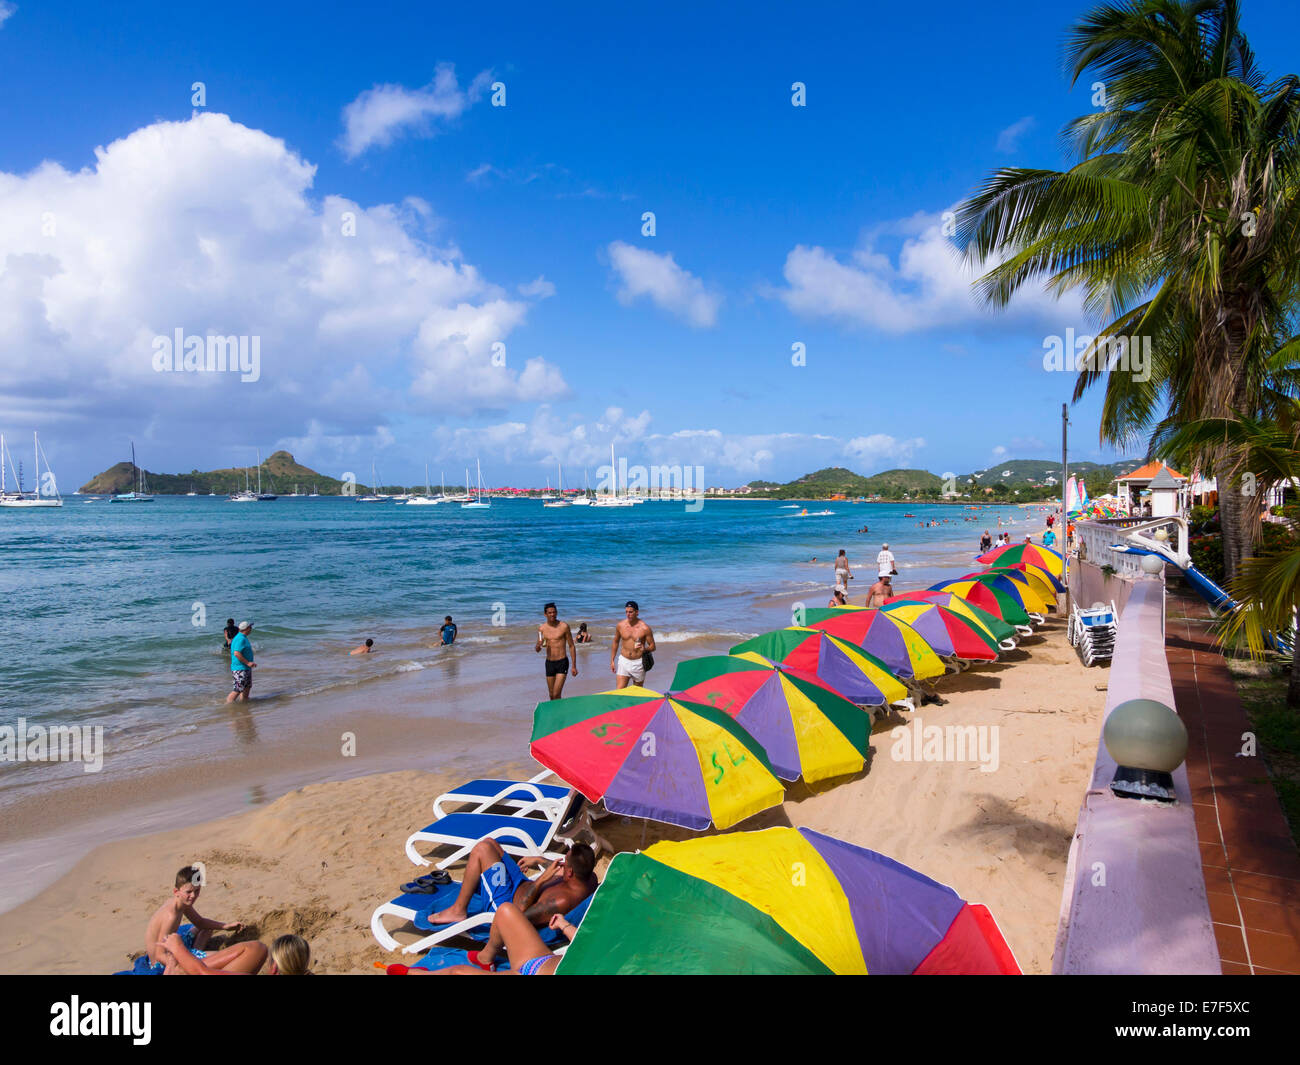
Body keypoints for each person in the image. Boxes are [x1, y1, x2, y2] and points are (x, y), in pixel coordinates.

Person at [426, 839, 597, 930]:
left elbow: (520, 915)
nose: (562, 863)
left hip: (505, 902)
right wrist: (539, 860)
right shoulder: (588, 878)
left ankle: (458, 911)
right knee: (491, 843)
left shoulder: (560, 901)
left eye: (565, 862)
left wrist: (543, 878)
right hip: (521, 885)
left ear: (570, 873)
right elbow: (560, 870)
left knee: (482, 849)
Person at [143, 866, 247, 974]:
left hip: (172, 948)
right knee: (220, 956)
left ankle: (196, 952)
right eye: (189, 892)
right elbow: (159, 955)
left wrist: (225, 926)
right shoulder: (171, 916)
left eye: (197, 891)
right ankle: (195, 957)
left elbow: (200, 922)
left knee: (206, 929)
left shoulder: (182, 902)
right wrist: (181, 963)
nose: (193, 896)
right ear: (176, 891)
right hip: (161, 962)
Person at [536, 602, 578, 698]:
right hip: (549, 663)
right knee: (551, 695)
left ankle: (559, 712)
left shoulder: (564, 626)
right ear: (545, 614)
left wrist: (574, 666)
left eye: (554, 612)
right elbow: (538, 649)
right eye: (550, 613)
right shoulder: (542, 629)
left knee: (556, 693)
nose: (552, 614)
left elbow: (571, 646)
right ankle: (556, 712)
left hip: (562, 662)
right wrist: (538, 645)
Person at [611, 600, 655, 689]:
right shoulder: (620, 625)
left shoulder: (645, 628)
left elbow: (653, 646)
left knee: (637, 693)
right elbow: (616, 641)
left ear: (637, 612)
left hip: (638, 663)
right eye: (626, 612)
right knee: (619, 691)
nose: (628, 614)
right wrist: (612, 660)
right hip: (624, 661)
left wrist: (645, 649)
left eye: (630, 612)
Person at [226, 620, 255, 704]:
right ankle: (228, 706)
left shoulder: (242, 637)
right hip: (240, 668)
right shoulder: (240, 639)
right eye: (250, 627)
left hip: (245, 668)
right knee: (238, 689)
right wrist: (248, 663)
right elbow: (236, 653)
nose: (251, 628)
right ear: (246, 628)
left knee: (247, 687)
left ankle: (244, 707)